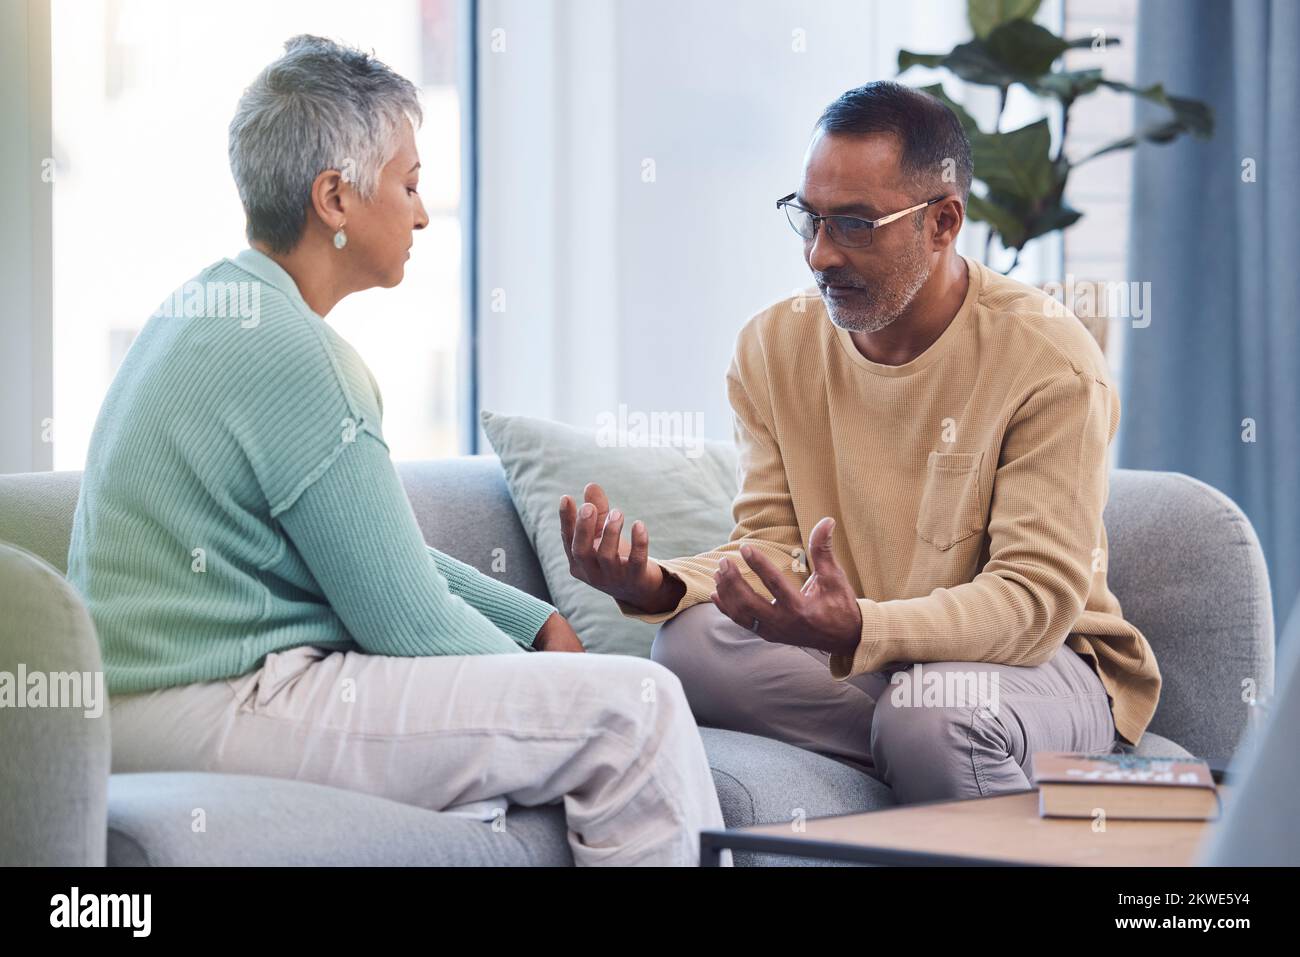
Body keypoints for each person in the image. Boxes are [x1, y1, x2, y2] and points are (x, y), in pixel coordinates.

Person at [66, 34, 726, 866]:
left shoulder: (210, 307)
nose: (419, 213)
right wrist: (565, 684)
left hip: (141, 708)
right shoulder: (295, 355)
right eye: (409, 185)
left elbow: (377, 555)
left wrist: (538, 622)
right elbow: (406, 618)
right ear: (335, 199)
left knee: (606, 702)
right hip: (210, 703)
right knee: (635, 706)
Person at [561, 80, 1160, 804]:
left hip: (1041, 662)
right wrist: (656, 583)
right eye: (809, 220)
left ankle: (936, 740)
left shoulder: (1048, 360)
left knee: (929, 715)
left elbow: (1032, 603)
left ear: (942, 223)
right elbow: (772, 545)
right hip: (879, 654)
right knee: (688, 647)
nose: (820, 255)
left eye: (853, 224)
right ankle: (925, 746)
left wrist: (865, 625)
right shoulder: (772, 347)